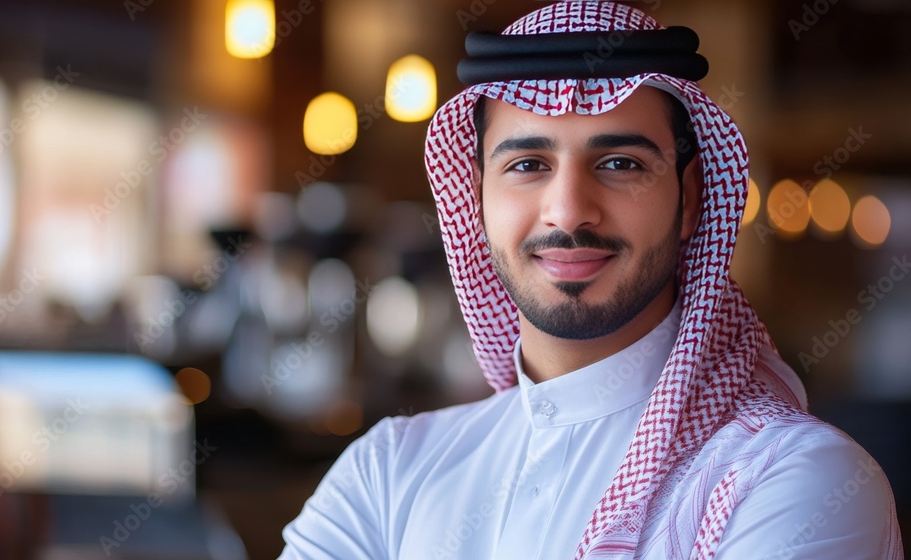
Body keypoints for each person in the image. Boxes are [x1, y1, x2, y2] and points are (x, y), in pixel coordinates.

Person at [280, 2, 904, 558]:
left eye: (620, 163)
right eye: (528, 164)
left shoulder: (793, 479)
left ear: (690, 199)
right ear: (475, 199)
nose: (569, 211)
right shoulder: (387, 475)